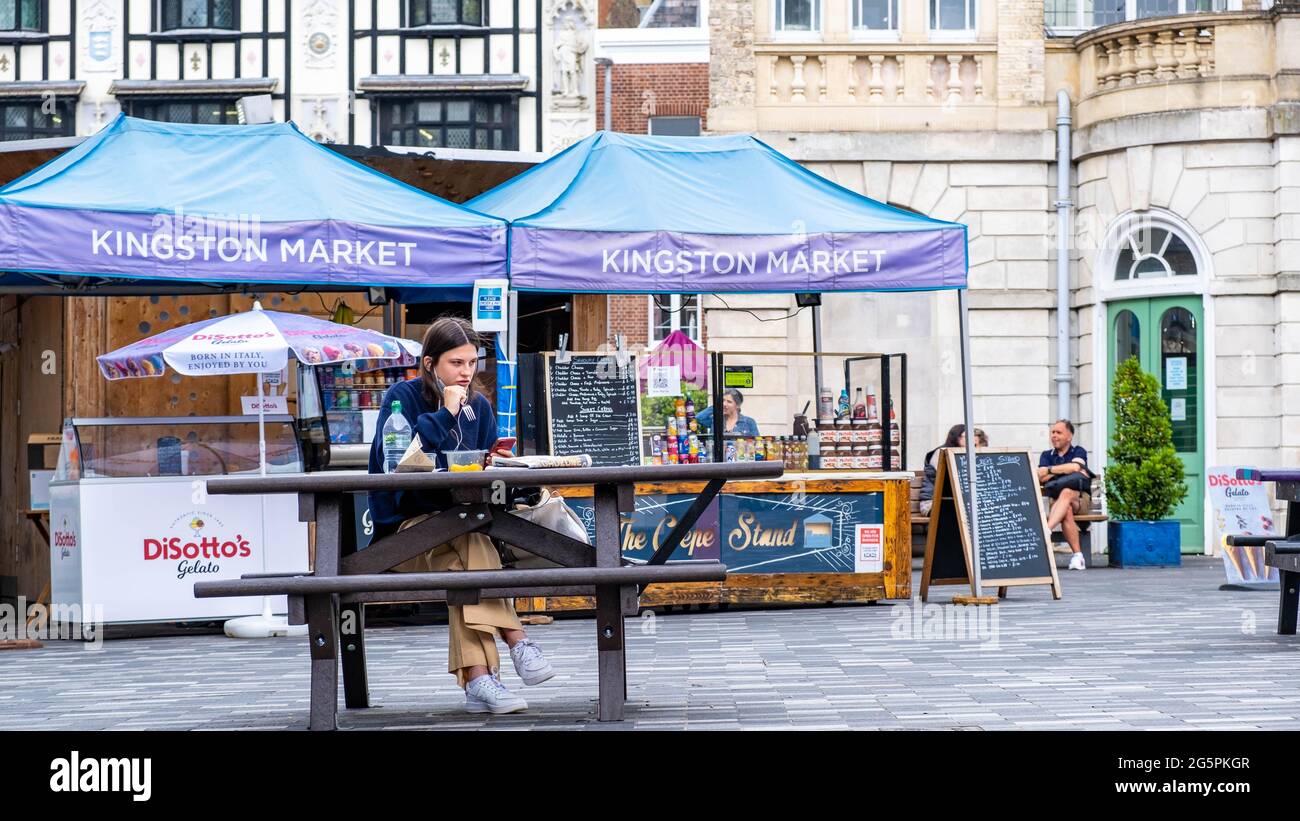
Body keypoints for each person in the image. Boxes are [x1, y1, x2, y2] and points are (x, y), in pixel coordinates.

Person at [368, 317, 555, 715]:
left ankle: (478, 680)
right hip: (404, 533)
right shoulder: (403, 400)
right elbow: (401, 471)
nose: (467, 372)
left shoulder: (480, 407)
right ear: (431, 362)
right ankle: (517, 639)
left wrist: (503, 464)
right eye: (456, 363)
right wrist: (448, 410)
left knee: (464, 557)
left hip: (464, 531)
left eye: (472, 362)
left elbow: (487, 469)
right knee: (470, 538)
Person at [1038, 418, 1093, 571]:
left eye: (1059, 432)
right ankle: (1078, 556)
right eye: (1052, 432)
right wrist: (1065, 469)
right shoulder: (1046, 455)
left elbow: (1075, 467)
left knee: (1067, 492)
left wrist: (1050, 470)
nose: (1054, 436)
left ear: (1069, 436)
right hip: (1057, 503)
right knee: (1066, 508)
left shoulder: (1078, 451)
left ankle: (1045, 530)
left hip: (1080, 499)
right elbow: (1039, 476)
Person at [919, 424, 965, 516]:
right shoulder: (941, 452)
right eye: (966, 436)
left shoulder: (964, 454)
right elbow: (948, 479)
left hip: (952, 503)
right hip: (932, 503)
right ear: (956, 437)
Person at [696, 388, 760, 437]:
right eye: (723, 401)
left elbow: (757, 443)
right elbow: (698, 418)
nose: (724, 404)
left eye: (729, 402)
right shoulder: (716, 420)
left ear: (737, 405)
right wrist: (716, 406)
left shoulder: (749, 422)